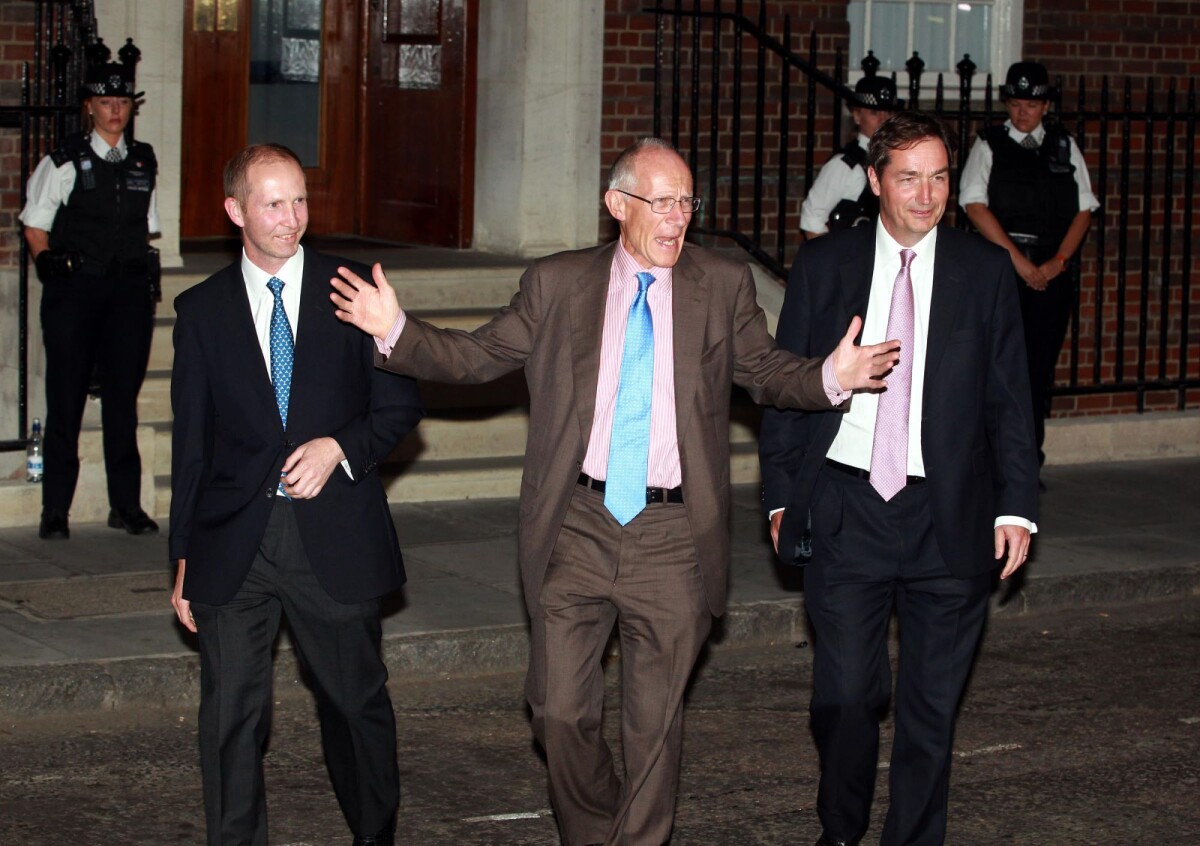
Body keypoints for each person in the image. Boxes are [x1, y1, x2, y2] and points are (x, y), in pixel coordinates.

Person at [328, 137, 900, 846]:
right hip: (578, 521)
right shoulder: (559, 283)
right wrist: (399, 332)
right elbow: (478, 357)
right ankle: (594, 828)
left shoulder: (720, 283)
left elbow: (765, 371)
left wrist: (831, 376)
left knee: (654, 728)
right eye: (661, 202)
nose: (677, 219)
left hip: (672, 533)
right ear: (617, 204)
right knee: (559, 712)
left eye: (687, 202)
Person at [759, 112, 1039, 846]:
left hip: (949, 517)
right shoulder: (827, 267)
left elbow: (1012, 401)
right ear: (877, 180)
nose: (927, 194)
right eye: (909, 177)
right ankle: (842, 831)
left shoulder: (983, 273)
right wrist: (783, 496)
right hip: (847, 507)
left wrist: (1016, 506)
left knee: (931, 709)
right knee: (847, 696)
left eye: (940, 177)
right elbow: (787, 389)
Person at [168, 144, 424, 846]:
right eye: (273, 204)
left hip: (331, 537)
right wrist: (183, 556)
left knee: (354, 706)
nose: (291, 219)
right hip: (233, 543)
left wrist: (340, 447)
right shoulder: (201, 312)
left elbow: (399, 411)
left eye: (300, 201)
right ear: (234, 212)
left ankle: (376, 835)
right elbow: (190, 446)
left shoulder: (353, 292)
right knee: (230, 719)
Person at [20, 60, 161, 540]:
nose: (115, 110)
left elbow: (148, 226)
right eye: (106, 102)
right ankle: (54, 511)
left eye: (122, 102)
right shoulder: (63, 160)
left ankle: (126, 506)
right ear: (90, 108)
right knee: (66, 400)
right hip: (76, 294)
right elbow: (34, 225)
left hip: (126, 294)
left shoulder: (143, 160)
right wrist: (47, 263)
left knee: (122, 400)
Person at [960, 60, 1099, 471]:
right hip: (1005, 269)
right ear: (1007, 103)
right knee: (996, 366)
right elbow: (974, 205)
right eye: (1017, 103)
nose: (1024, 112)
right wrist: (1018, 263)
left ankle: (1026, 461)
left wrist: (1058, 262)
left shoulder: (1062, 144)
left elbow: (1084, 209)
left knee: (1038, 370)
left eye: (1032, 104)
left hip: (1051, 272)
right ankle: (991, 457)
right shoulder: (989, 143)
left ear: (1046, 105)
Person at [799, 75, 904, 240]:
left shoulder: (900, 161)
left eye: (888, 112)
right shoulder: (845, 165)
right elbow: (812, 217)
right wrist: (832, 262)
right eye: (874, 112)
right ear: (857, 115)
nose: (883, 120)